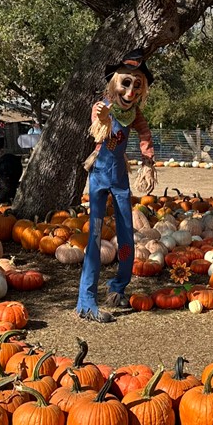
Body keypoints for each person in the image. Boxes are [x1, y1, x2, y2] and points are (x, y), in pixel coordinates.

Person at [77, 49, 157, 323]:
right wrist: (102, 118)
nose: (130, 91)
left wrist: (147, 161)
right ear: (115, 82)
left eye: (137, 85)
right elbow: (99, 128)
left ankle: (118, 287)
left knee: (126, 237)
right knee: (95, 236)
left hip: (120, 179)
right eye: (126, 83)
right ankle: (86, 301)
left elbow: (145, 134)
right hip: (99, 176)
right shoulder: (102, 107)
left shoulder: (134, 114)